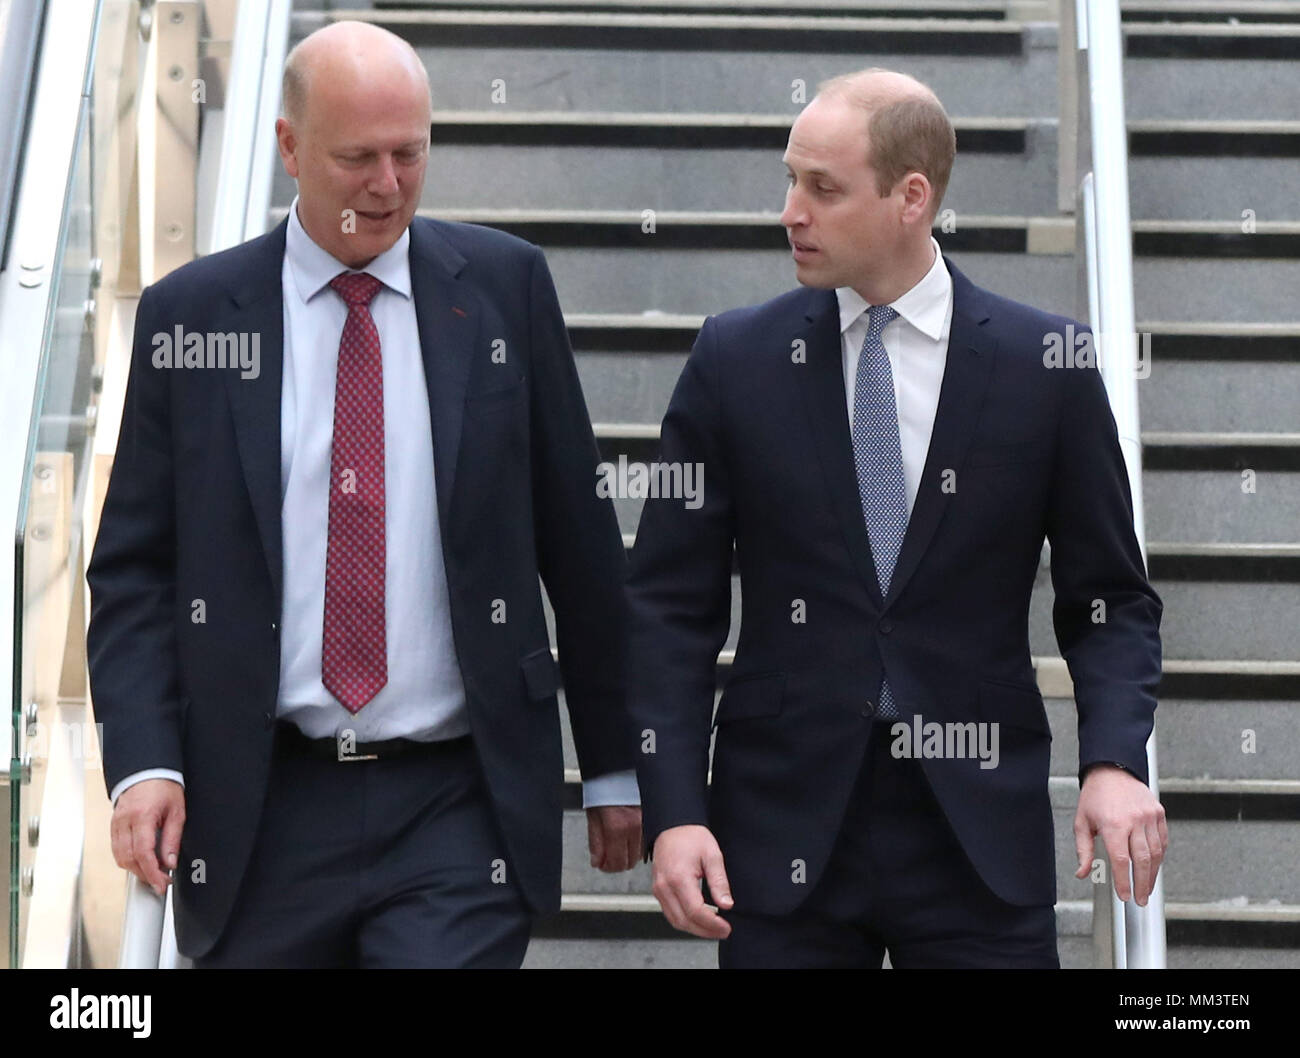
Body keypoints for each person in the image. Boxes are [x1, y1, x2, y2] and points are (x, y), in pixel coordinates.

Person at [87, 20, 640, 968]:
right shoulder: (192, 317)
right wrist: (144, 759)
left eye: (409, 155)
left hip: (454, 806)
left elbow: (579, 543)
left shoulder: (506, 290)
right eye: (358, 158)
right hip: (260, 803)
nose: (388, 186)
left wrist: (618, 763)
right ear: (290, 147)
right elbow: (136, 567)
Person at [627, 68, 1167, 968]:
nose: (790, 210)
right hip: (781, 832)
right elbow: (667, 609)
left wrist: (1113, 759)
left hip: (975, 839)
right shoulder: (735, 358)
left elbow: (1110, 600)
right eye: (790, 178)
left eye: (822, 188)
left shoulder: (1047, 366)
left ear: (912, 197)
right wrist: (676, 810)